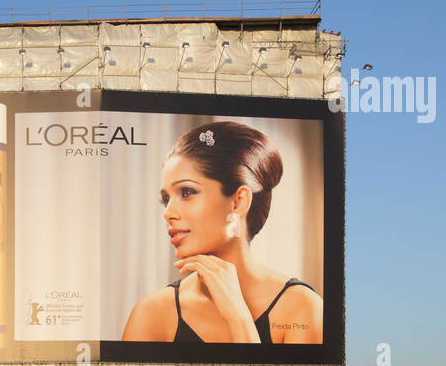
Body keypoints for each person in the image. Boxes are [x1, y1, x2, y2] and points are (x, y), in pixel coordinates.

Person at [122, 121, 322, 344]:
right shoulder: (151, 315)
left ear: (238, 201)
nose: (168, 213)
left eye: (187, 192)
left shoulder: (302, 308)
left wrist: (238, 316)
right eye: (166, 199)